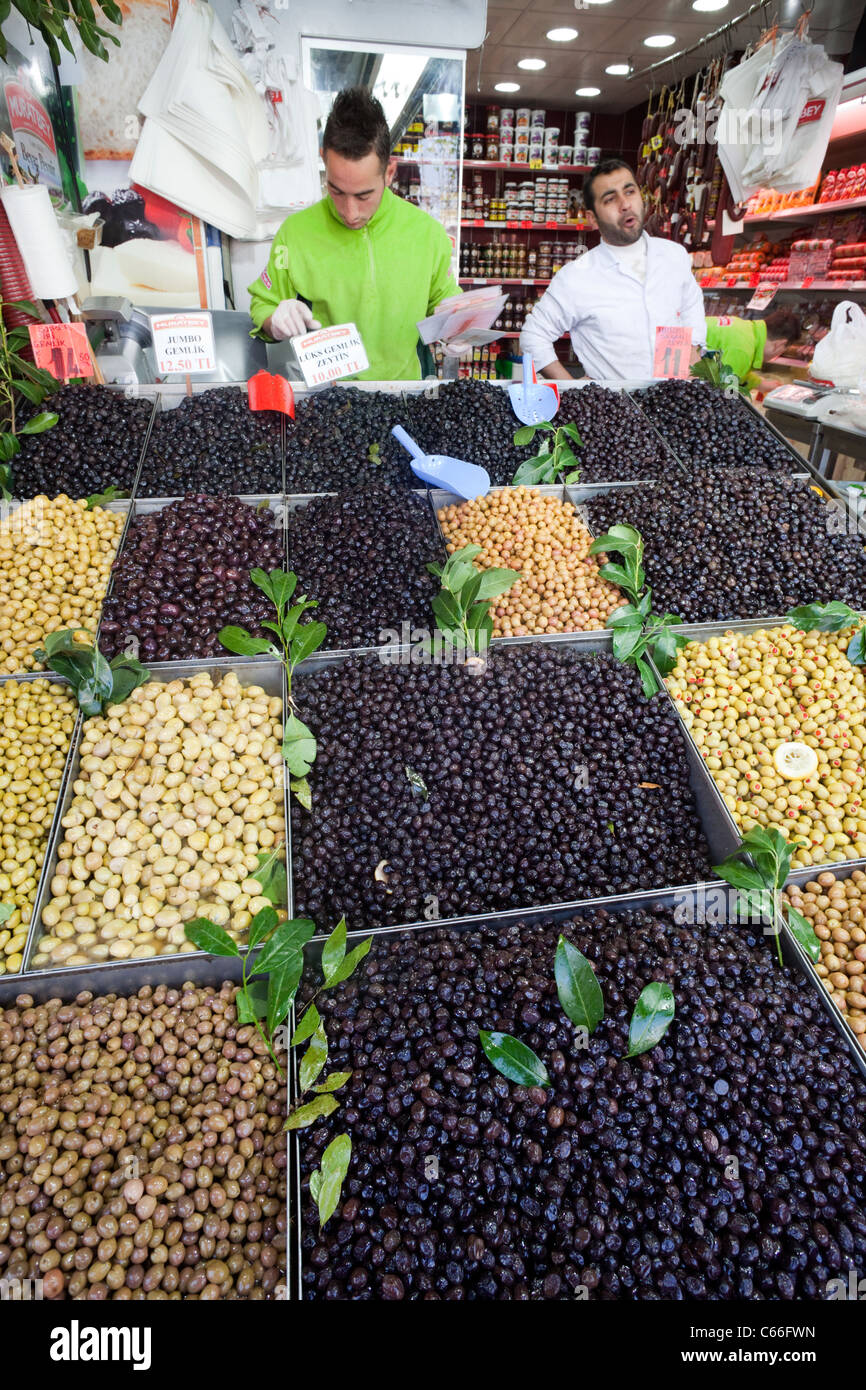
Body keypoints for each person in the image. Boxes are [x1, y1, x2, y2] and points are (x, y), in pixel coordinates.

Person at [248, 87, 460, 381]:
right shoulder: (295, 233)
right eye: (335, 190)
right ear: (323, 159)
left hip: (403, 399)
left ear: (389, 173)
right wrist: (275, 321)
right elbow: (263, 304)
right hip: (330, 399)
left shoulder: (428, 235)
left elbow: (447, 301)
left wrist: (460, 325)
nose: (350, 212)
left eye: (363, 196)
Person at [520, 159, 707, 381]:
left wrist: (688, 369)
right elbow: (533, 336)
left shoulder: (673, 256)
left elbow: (689, 310)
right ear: (592, 219)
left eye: (629, 192)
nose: (625, 204)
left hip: (672, 403)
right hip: (614, 410)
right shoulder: (577, 276)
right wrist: (572, 392)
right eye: (610, 199)